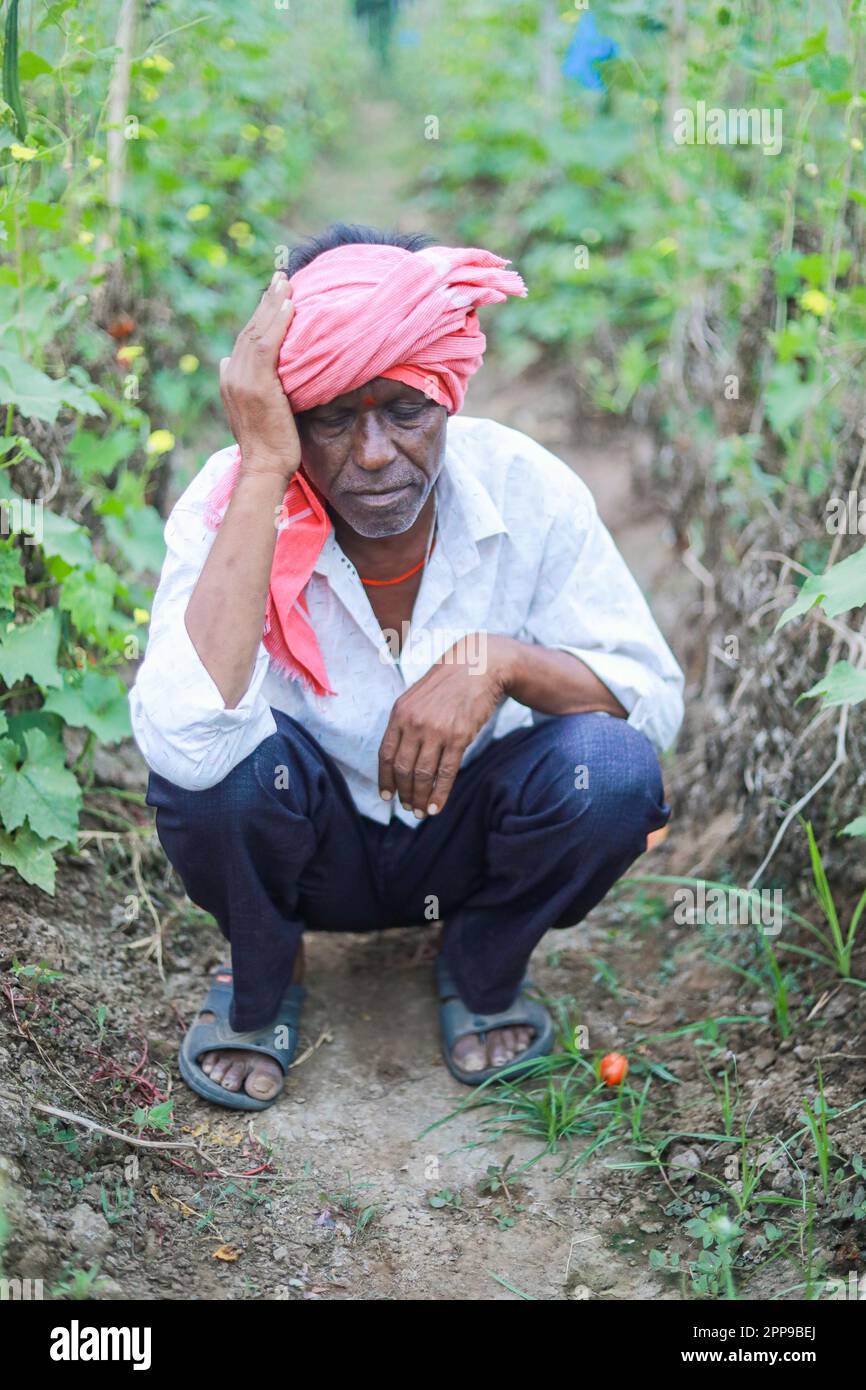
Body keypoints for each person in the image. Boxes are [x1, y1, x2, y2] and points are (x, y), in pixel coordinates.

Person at [130, 223, 683, 1111]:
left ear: (450, 400)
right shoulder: (234, 500)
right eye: (333, 418)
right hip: (306, 843)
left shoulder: (525, 489)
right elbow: (187, 749)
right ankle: (267, 972)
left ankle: (479, 962)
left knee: (611, 773)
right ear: (287, 414)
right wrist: (267, 467)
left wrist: (497, 662)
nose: (377, 453)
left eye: (406, 411)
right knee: (219, 781)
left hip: (462, 836)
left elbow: (651, 705)